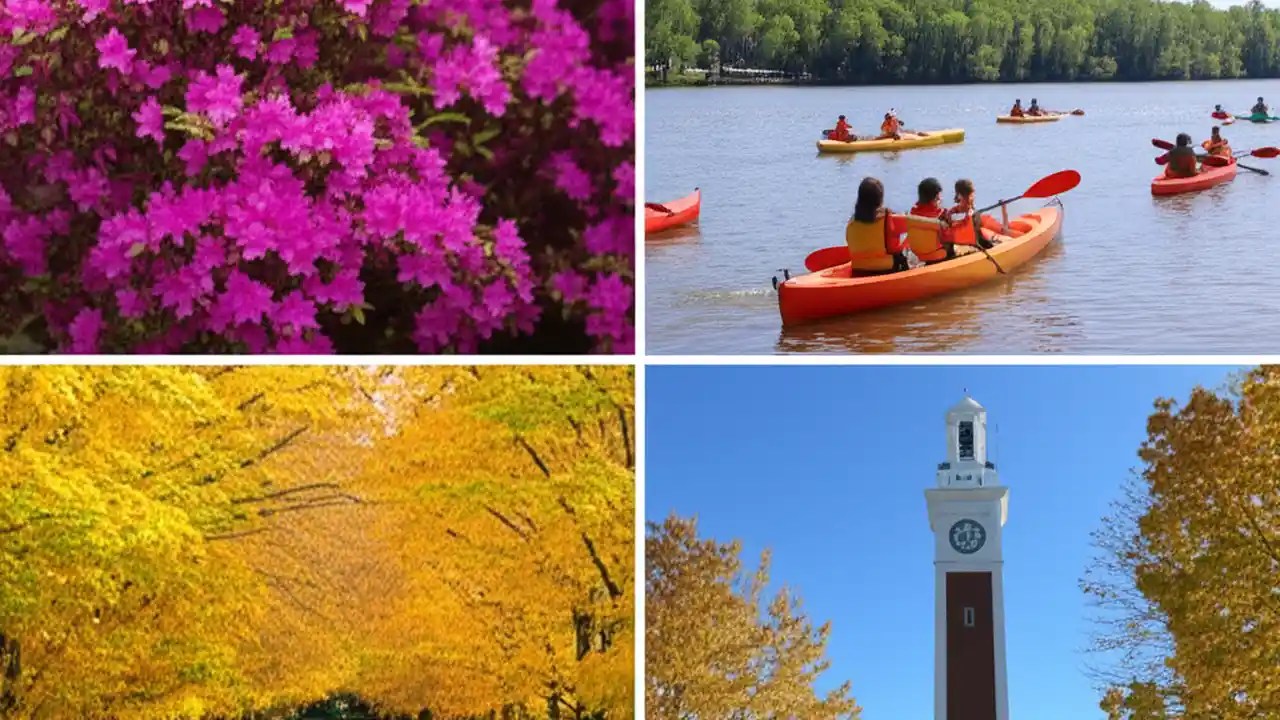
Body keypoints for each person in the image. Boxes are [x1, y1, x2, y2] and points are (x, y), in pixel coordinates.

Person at [846, 177, 908, 273]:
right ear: (880, 199)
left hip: (858, 271)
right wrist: (904, 244)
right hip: (886, 270)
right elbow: (916, 225)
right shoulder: (888, 218)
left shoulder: (851, 222)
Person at [950, 179, 1002, 243]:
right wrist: (968, 217)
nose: (971, 199)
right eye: (968, 196)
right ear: (959, 196)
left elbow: (979, 236)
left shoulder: (974, 212)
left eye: (972, 195)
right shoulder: (953, 214)